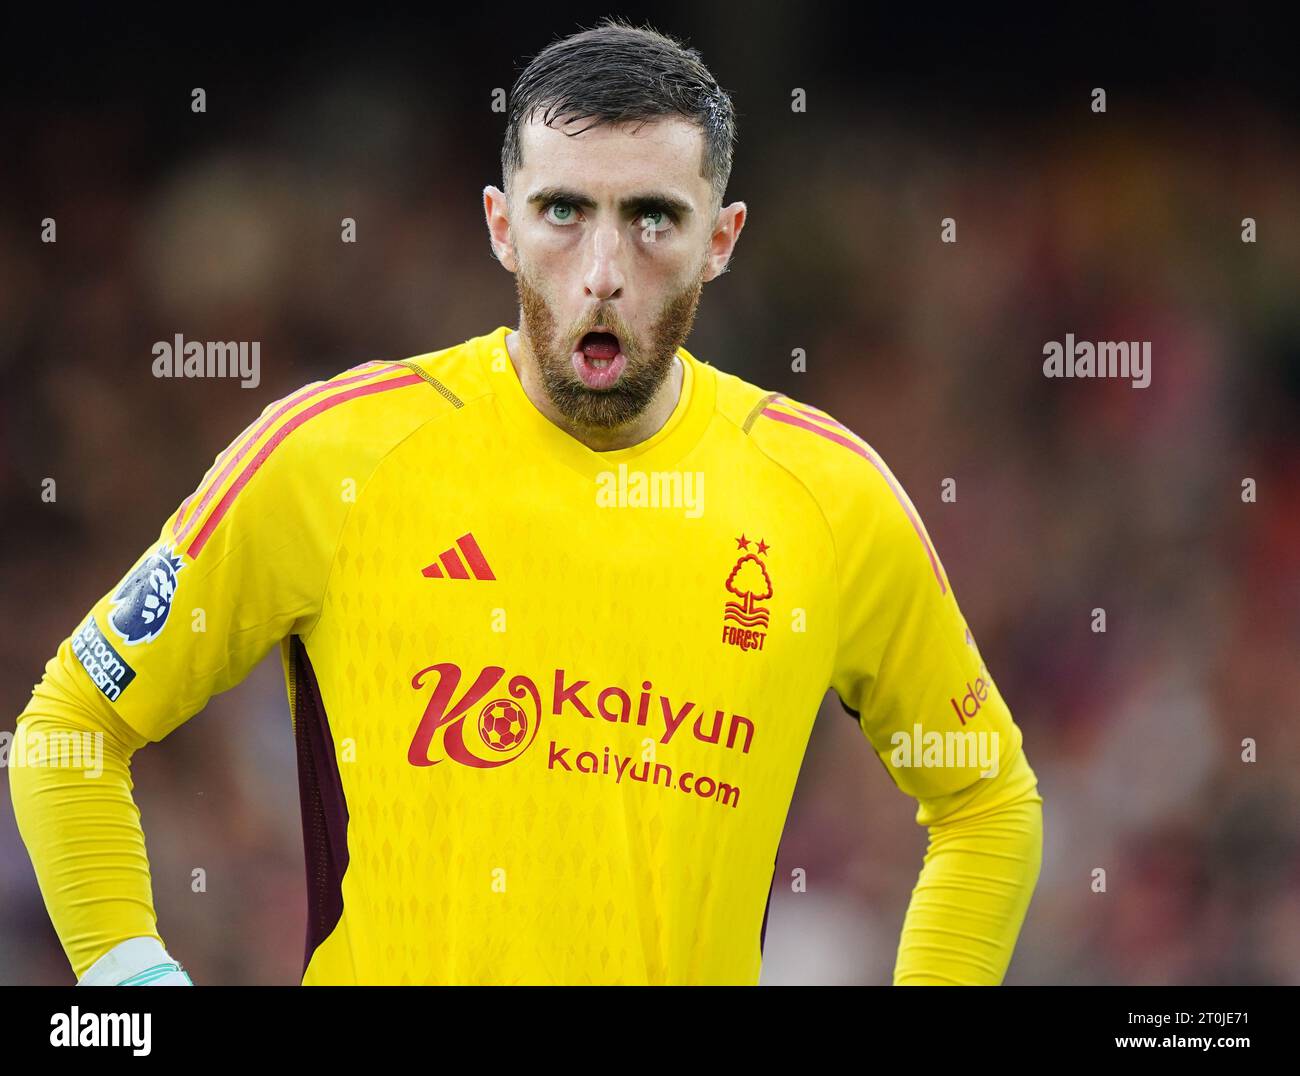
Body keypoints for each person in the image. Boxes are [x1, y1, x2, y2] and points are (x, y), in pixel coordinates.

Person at [10, 16, 1042, 986]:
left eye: (651, 218)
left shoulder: (829, 497)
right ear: (501, 225)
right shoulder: (335, 454)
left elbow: (986, 800)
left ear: (720, 239)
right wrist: (132, 985)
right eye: (563, 211)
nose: (601, 271)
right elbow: (70, 724)